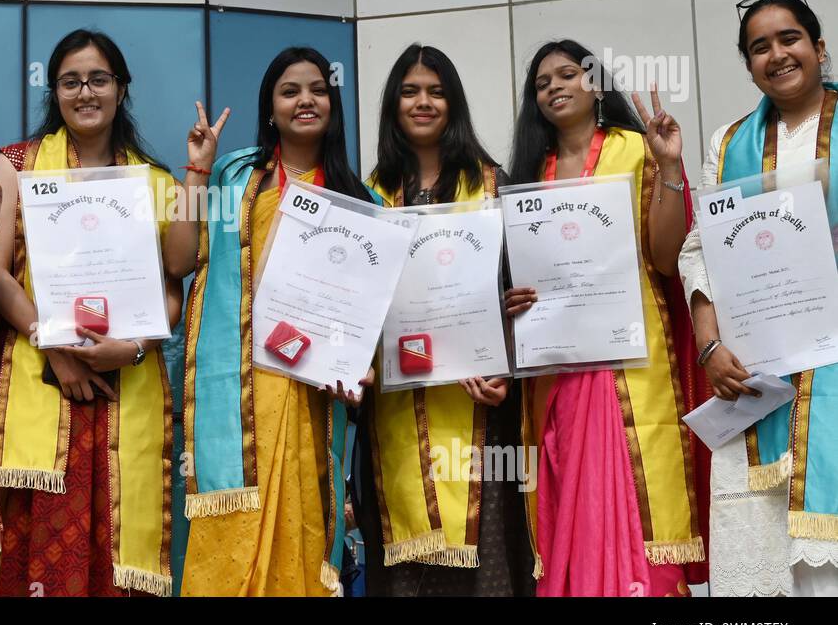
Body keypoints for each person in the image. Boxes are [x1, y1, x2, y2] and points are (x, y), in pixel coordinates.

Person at [506, 39, 704, 596]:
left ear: (595, 85)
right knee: (572, 498)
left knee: (642, 513)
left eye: (567, 74)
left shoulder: (636, 149)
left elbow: (666, 259)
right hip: (558, 376)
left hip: (633, 363)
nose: (554, 87)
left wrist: (669, 167)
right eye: (542, 83)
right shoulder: (528, 174)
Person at [174, 46, 374, 596]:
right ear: (270, 108)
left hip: (312, 399)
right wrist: (197, 168)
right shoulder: (234, 176)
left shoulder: (359, 200)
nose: (305, 100)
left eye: (317, 89)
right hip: (235, 398)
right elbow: (178, 259)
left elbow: (369, 319)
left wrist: (363, 370)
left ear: (332, 104)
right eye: (290, 91)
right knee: (227, 546)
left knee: (303, 541)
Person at [0, 29, 179, 597]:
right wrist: (57, 348)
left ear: (122, 88)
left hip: (127, 384)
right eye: (70, 81)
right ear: (54, 91)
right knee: (45, 553)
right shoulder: (15, 165)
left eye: (98, 79)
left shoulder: (156, 180)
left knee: (119, 550)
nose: (85, 92)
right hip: (44, 383)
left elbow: (174, 283)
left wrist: (138, 347)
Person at [356, 43, 534, 596]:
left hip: (480, 409)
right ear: (393, 104)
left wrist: (507, 365)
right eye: (410, 91)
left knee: (489, 561)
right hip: (394, 407)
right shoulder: (370, 194)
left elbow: (526, 297)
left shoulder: (494, 185)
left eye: (435, 91)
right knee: (405, 565)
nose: (423, 102)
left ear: (453, 102)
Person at [679, 0, 838, 596]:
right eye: (758, 47)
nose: (777, 54)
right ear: (747, 64)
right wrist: (709, 347)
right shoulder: (728, 144)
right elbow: (701, 250)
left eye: (789, 38)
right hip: (760, 378)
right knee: (769, 573)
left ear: (819, 48)